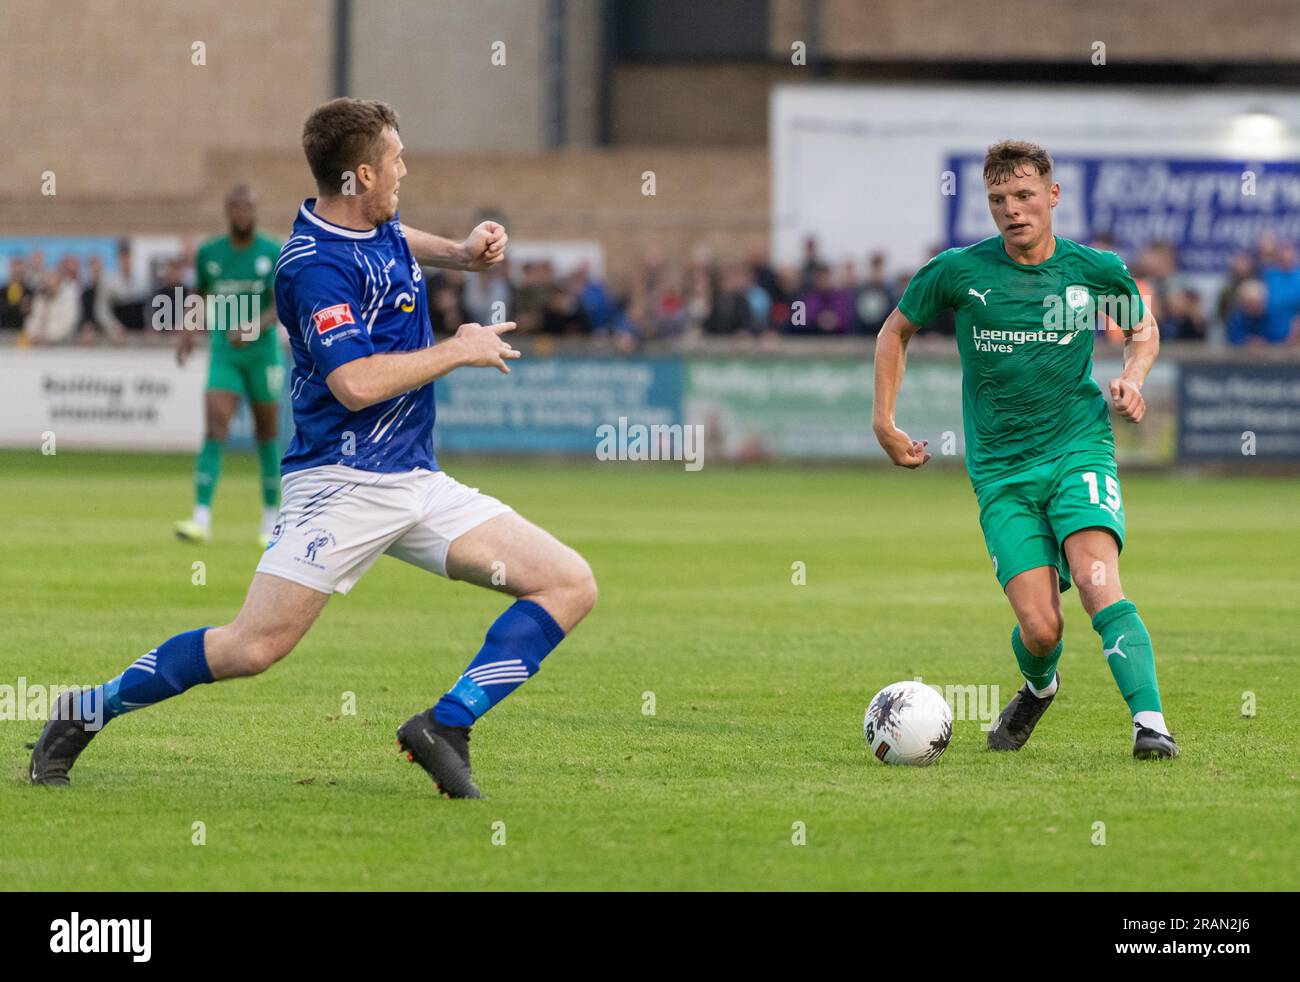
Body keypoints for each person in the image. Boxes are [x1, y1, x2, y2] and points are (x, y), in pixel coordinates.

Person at [30, 97, 597, 799]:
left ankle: (445, 725)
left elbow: (396, 241)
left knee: (569, 583)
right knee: (251, 648)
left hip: (416, 480)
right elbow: (355, 384)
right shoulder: (312, 268)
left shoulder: (373, 220)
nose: (405, 171)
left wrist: (458, 254)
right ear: (361, 175)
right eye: (396, 162)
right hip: (341, 484)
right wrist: (456, 349)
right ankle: (86, 710)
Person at [872, 139, 1178, 761]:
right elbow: (895, 330)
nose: (1012, 209)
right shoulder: (959, 271)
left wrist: (1134, 378)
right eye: (998, 199)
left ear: (1052, 196)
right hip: (1001, 472)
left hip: (1077, 449)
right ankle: (1040, 686)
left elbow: (1142, 329)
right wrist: (885, 421)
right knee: (1041, 629)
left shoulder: (1093, 270)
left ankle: (1151, 726)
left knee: (1097, 581)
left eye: (1024, 195)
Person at [174, 185, 286, 544]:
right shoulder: (210, 253)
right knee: (215, 425)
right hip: (225, 351)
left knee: (266, 433)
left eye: (248, 207)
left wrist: (254, 326)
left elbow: (284, 304)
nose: (242, 214)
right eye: (236, 207)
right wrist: (188, 333)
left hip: (263, 354)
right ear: (227, 211)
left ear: (256, 212)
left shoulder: (271, 251)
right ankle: (200, 519)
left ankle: (270, 520)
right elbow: (200, 295)